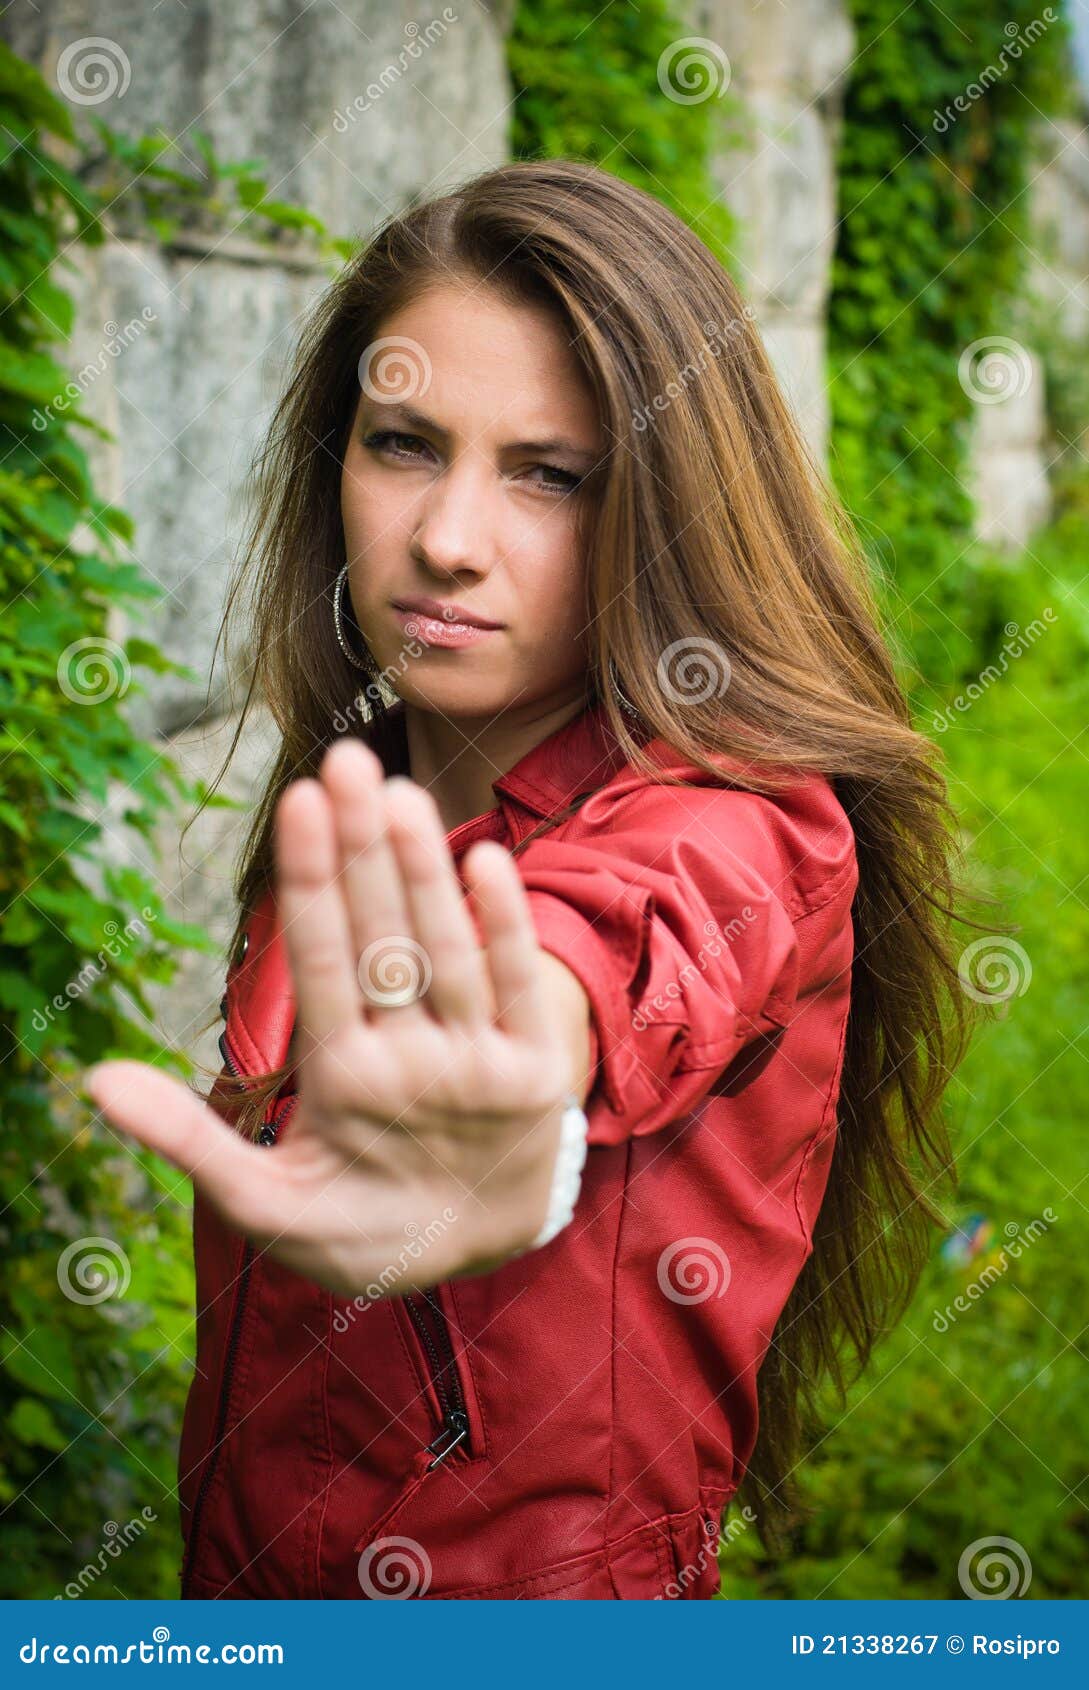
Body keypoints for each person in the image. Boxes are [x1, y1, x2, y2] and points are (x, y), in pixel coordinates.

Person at [85, 158, 975, 1600]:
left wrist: (512, 1069)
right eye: (402, 443)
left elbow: (617, 937)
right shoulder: (357, 787)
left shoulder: (745, 814)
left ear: (674, 507)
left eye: (548, 475)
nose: (446, 538)